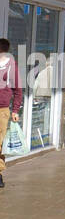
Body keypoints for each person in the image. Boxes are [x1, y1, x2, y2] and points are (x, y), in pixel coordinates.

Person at [0, 37, 23, 188]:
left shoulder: (11, 66)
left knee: (0, 143)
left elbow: (18, 90)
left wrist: (15, 110)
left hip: (2, 110)